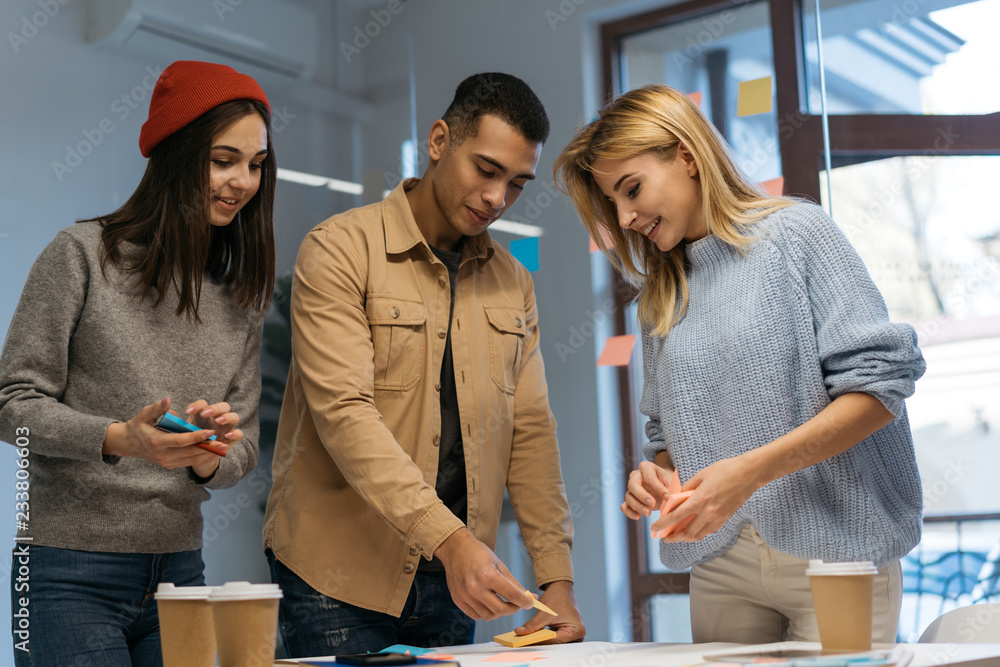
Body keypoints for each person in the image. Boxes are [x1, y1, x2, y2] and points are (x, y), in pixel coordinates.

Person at [553, 84, 925, 644]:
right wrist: (659, 475)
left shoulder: (798, 234)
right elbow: (667, 433)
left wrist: (749, 472)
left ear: (686, 154)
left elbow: (879, 389)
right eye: (614, 204)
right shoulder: (661, 294)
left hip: (838, 555)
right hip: (721, 568)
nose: (626, 216)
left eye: (632, 189)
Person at [263, 72, 585, 656]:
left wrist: (555, 580)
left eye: (516, 183)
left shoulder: (514, 283)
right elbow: (344, 413)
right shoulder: (339, 249)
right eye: (485, 170)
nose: (497, 198)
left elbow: (531, 432)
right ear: (439, 141)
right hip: (336, 573)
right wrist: (452, 541)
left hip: (450, 580)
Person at [0, 60, 275, 665]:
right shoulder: (80, 255)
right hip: (62, 572)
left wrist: (209, 455)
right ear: (176, 154)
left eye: (256, 164)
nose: (242, 182)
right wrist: (121, 439)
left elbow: (244, 451)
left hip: (179, 572)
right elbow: (12, 407)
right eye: (223, 160)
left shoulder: (237, 296)